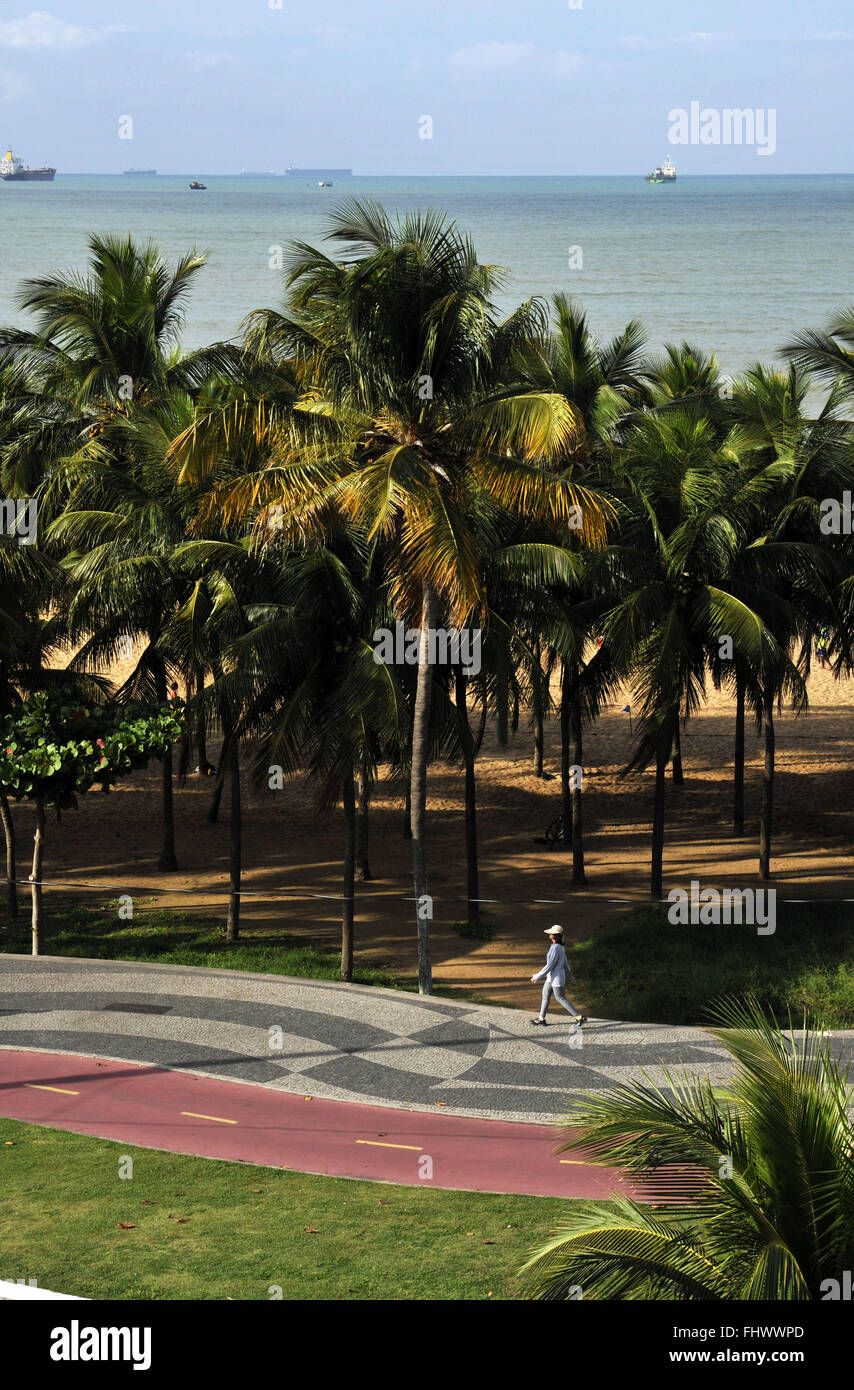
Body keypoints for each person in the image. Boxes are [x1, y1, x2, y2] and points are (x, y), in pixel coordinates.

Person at [530, 924, 586, 1026]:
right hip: (551, 978)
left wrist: (537, 976)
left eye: (552, 932)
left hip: (556, 979)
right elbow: (565, 964)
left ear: (556, 935)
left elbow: (550, 965)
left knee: (561, 998)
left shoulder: (556, 948)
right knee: (545, 996)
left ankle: (580, 1017)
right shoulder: (560, 947)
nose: (550, 934)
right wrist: (570, 977)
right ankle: (541, 1018)